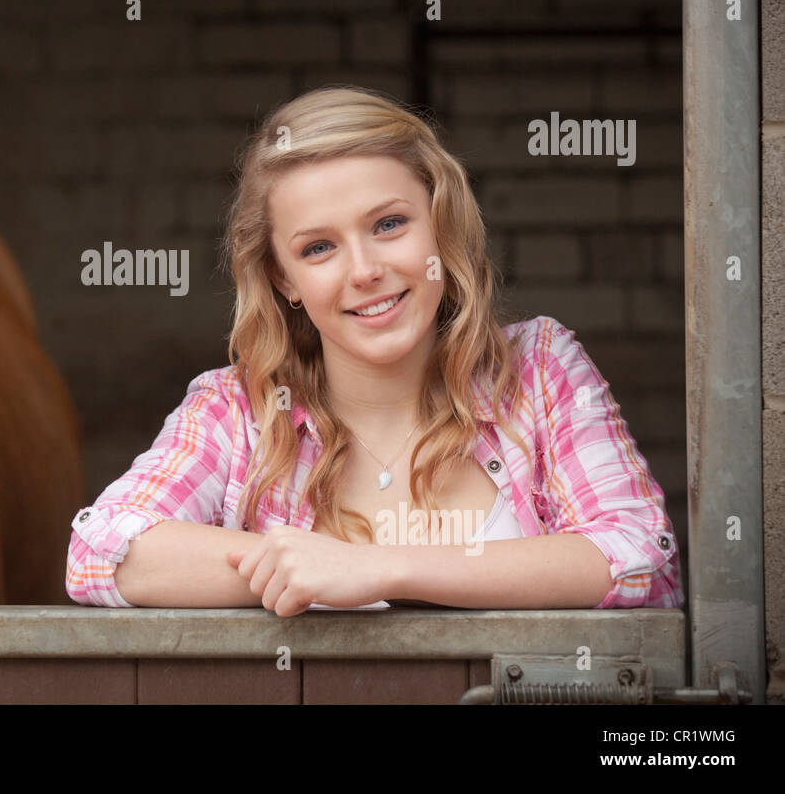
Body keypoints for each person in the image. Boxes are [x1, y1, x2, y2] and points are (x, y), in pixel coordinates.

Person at [65, 86, 684, 617]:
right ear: (284, 280)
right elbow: (101, 553)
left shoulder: (539, 370)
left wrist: (378, 569)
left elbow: (641, 558)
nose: (364, 271)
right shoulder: (239, 407)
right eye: (318, 249)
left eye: (389, 224)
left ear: (440, 222)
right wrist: (299, 570)